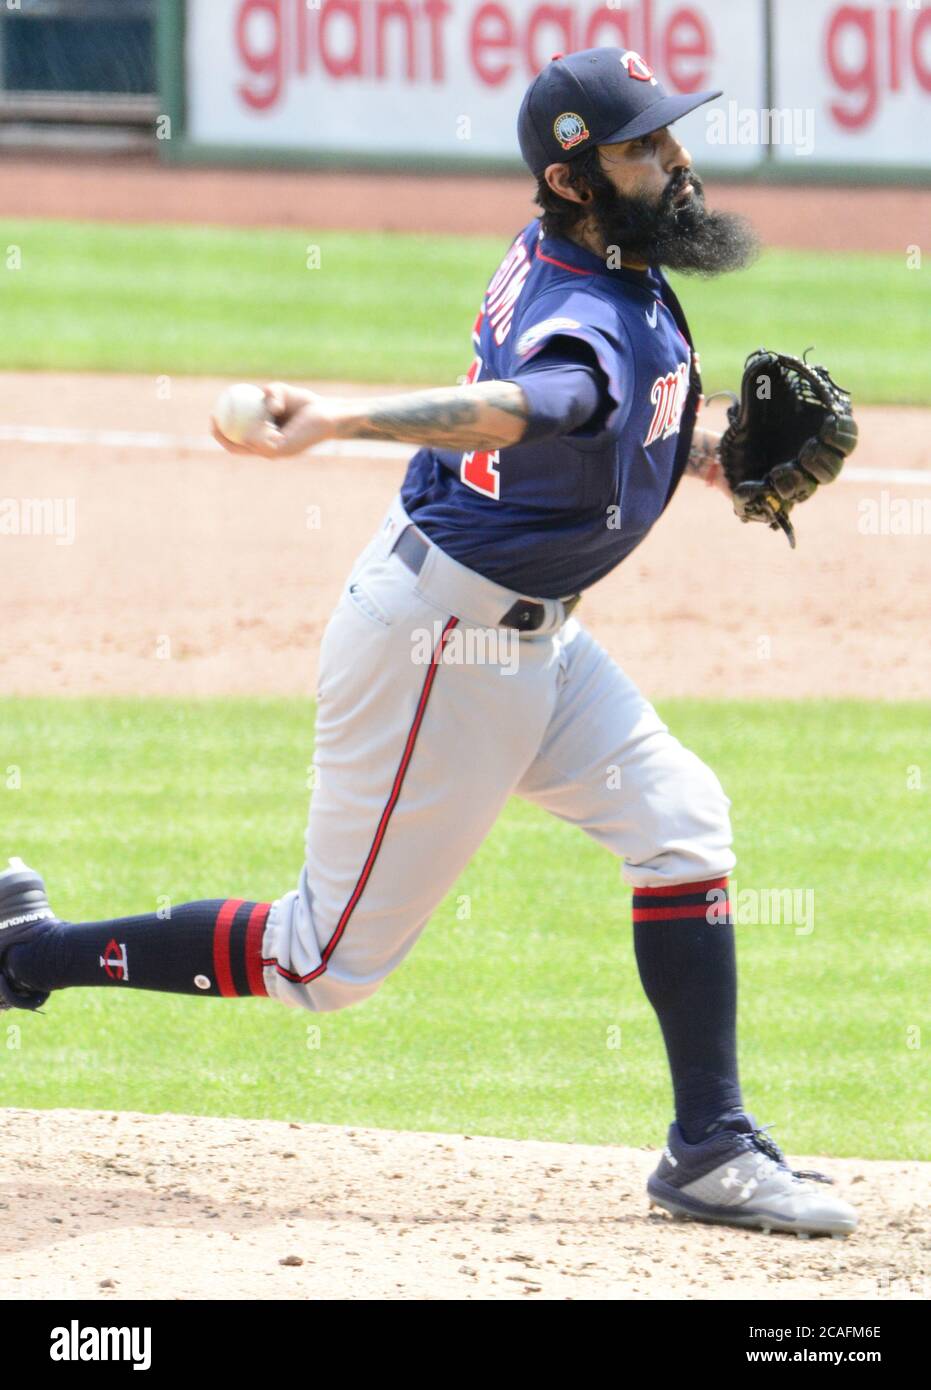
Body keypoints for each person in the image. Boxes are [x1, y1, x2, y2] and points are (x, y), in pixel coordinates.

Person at [0, 48, 856, 1237]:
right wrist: (344, 416)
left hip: (527, 639)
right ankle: (28, 953)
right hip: (441, 647)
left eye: (670, 137)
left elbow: (599, 429)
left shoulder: (611, 261)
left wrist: (710, 460)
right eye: (644, 147)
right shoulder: (586, 311)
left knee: (681, 821)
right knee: (320, 963)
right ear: (573, 179)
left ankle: (707, 1146)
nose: (676, 161)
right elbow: (537, 406)